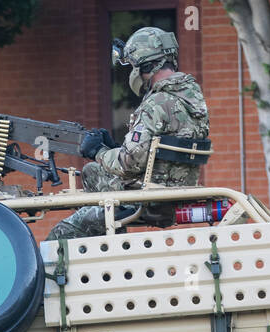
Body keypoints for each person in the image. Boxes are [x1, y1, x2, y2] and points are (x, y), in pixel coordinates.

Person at [47, 27, 209, 241]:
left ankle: (108, 244)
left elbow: (127, 165)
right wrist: (114, 148)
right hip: (174, 192)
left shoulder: (156, 104)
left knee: (61, 234)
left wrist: (97, 150)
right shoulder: (193, 100)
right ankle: (112, 241)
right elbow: (148, 155)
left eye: (133, 66)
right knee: (92, 172)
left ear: (147, 65)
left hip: (149, 200)